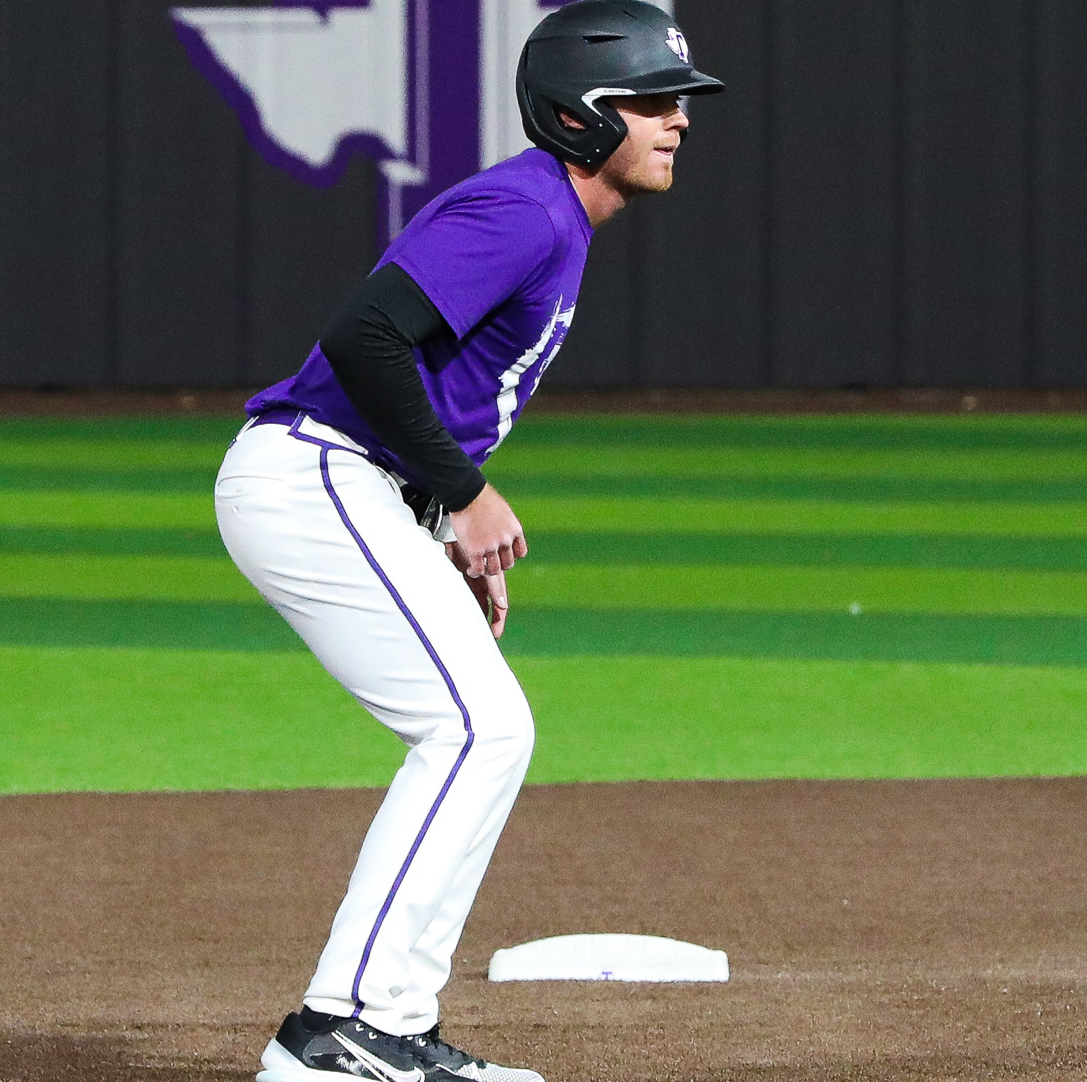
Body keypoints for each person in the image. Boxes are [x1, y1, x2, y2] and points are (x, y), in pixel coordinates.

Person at [213, 4, 723, 1081]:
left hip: (353, 482)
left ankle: (379, 1022)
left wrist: (437, 518)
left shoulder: (557, 218)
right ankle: (343, 1031)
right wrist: (462, 489)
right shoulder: (526, 208)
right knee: (476, 728)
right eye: (651, 100)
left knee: (480, 729)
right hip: (312, 472)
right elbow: (363, 334)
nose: (677, 119)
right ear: (582, 116)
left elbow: (423, 371)